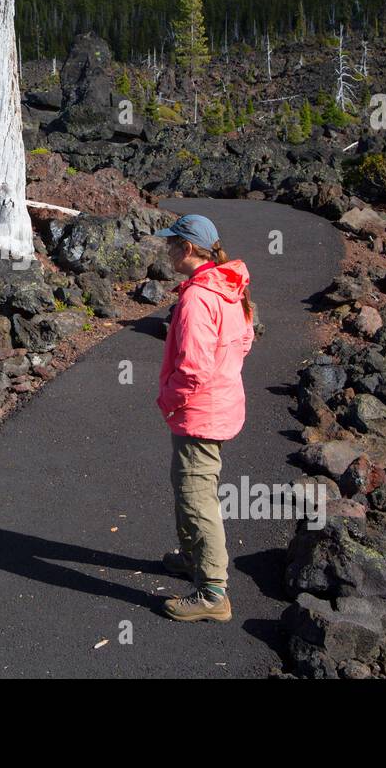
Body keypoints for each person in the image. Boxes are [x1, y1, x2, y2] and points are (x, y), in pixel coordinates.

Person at [153, 213, 254, 623]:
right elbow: (245, 340)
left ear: (188, 249)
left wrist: (169, 401)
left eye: (172, 243)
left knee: (197, 496)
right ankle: (193, 556)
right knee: (189, 483)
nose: (168, 249)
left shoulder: (198, 297)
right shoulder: (229, 287)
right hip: (221, 403)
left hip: (200, 411)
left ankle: (213, 591)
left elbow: (193, 368)